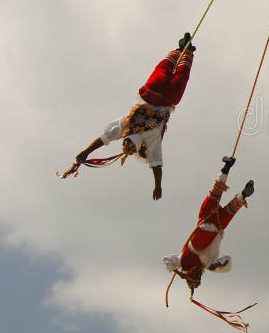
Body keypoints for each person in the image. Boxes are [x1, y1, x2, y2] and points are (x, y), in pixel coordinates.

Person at [61, 33, 196, 200]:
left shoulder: (137, 131)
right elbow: (105, 140)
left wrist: (86, 152)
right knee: (167, 71)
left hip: (162, 95)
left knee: (173, 74)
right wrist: (85, 152)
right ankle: (182, 50)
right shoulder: (131, 130)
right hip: (158, 94)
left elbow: (155, 164)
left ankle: (183, 50)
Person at [163, 156, 254, 291]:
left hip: (205, 223)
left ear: (188, 275)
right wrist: (212, 266)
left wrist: (180, 273)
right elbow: (227, 263)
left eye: (195, 276)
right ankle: (241, 193)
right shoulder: (206, 264)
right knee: (227, 204)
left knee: (216, 196)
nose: (198, 274)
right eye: (199, 277)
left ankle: (227, 168)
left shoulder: (182, 261)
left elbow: (166, 261)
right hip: (216, 226)